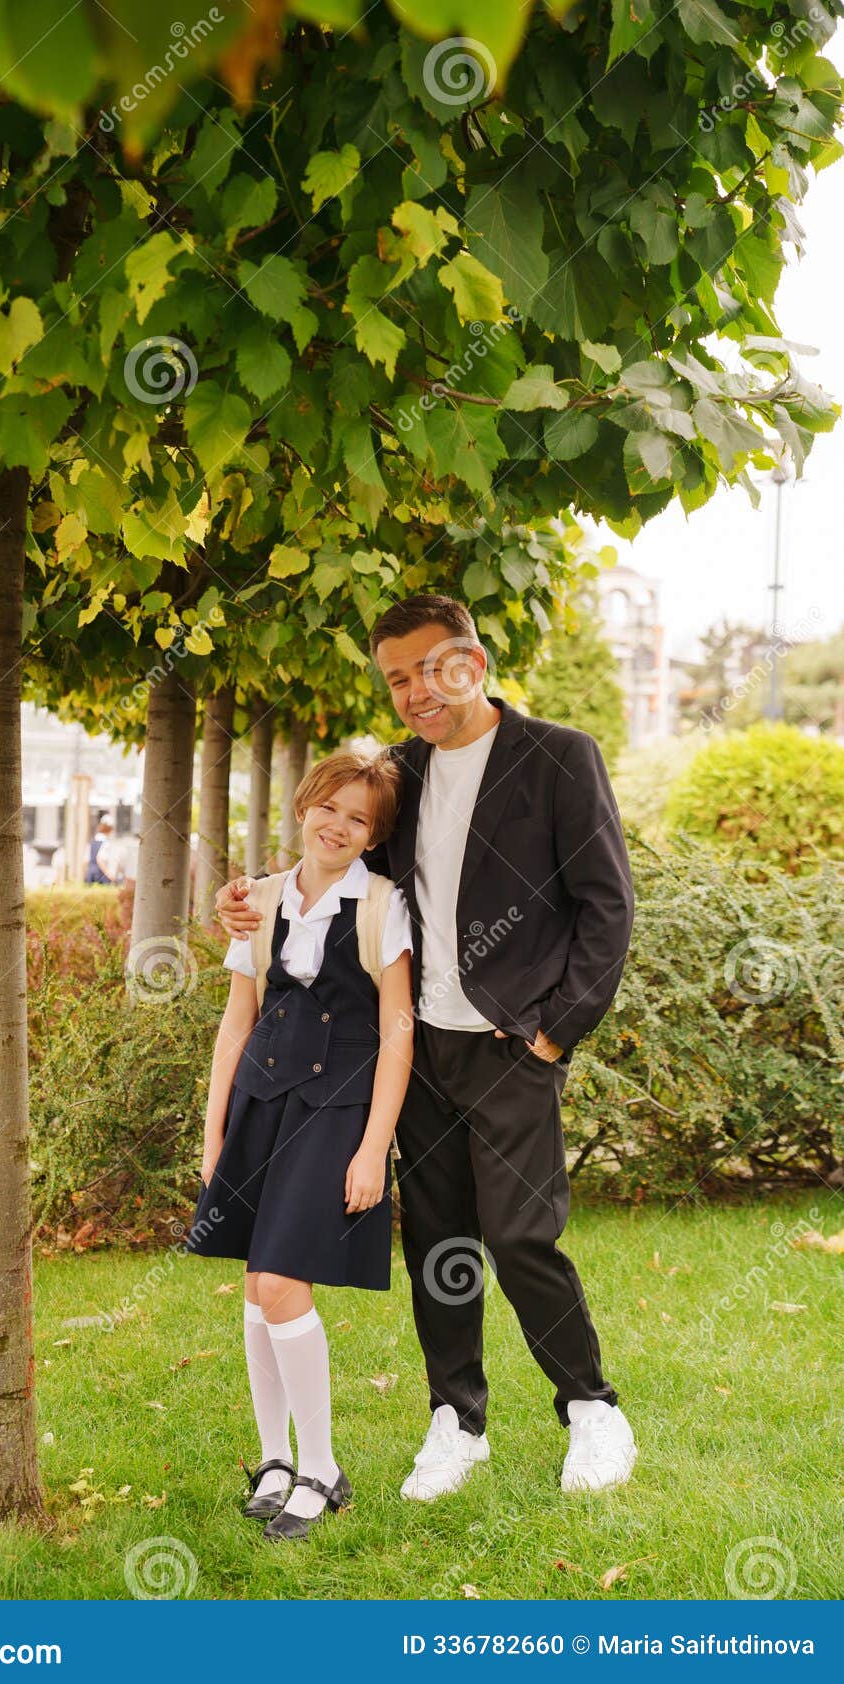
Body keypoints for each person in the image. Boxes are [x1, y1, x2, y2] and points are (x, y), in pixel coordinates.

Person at [216, 594, 637, 1499]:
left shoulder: (559, 759)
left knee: (523, 1234)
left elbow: (608, 907)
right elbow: (334, 867)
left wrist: (556, 1033)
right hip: (415, 1053)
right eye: (396, 678)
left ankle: (592, 1411)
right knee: (438, 1241)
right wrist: (245, 901)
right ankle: (458, 1420)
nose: (413, 692)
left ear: (472, 664)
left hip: (511, 1045)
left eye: (429, 669)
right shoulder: (399, 773)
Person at [188, 750, 414, 1542]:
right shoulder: (257, 898)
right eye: (331, 809)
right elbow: (234, 1023)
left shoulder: (385, 906)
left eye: (360, 820)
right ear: (304, 806)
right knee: (256, 1287)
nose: (340, 827)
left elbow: (396, 1032)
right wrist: (214, 1132)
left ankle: (320, 1466)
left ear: (373, 835)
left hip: (338, 1112)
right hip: (260, 1100)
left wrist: (374, 1145)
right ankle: (273, 1458)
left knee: (282, 1283)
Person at [85, 813, 119, 884]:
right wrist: (110, 875)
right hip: (101, 878)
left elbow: (85, 861)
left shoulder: (92, 842)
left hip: (90, 876)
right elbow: (100, 860)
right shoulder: (106, 843)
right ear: (110, 829)